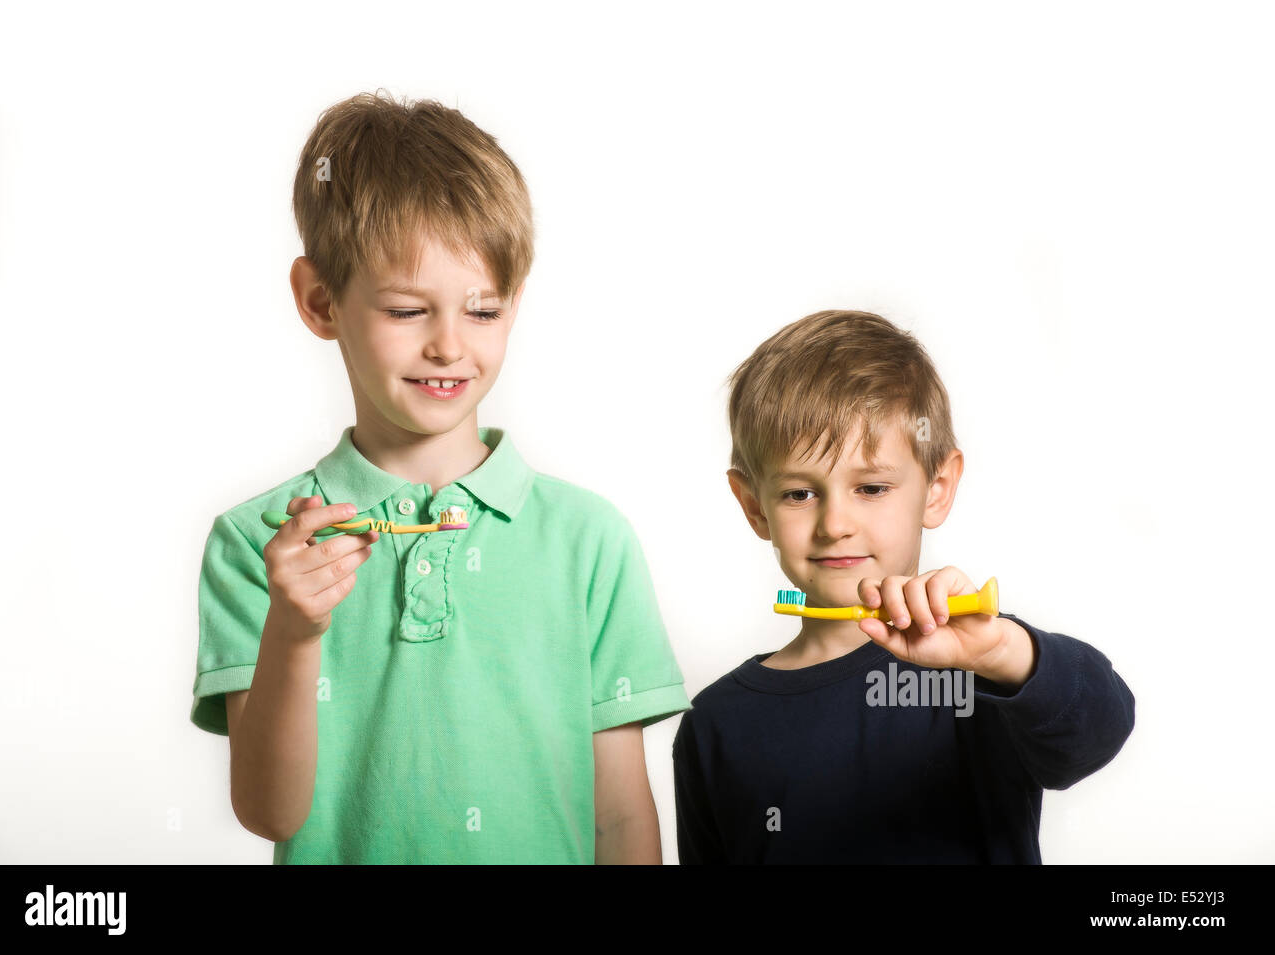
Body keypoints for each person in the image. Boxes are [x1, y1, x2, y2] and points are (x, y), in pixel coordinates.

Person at [191, 91, 690, 864]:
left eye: (483, 310)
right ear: (320, 300)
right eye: (405, 311)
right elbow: (269, 810)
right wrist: (294, 631)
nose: (449, 346)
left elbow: (621, 818)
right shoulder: (256, 544)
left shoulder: (590, 541)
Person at [672, 310, 1135, 863]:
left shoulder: (983, 673)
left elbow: (1100, 729)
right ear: (754, 506)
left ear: (937, 489)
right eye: (800, 493)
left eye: (870, 487)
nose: (835, 523)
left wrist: (1001, 651)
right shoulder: (715, 726)